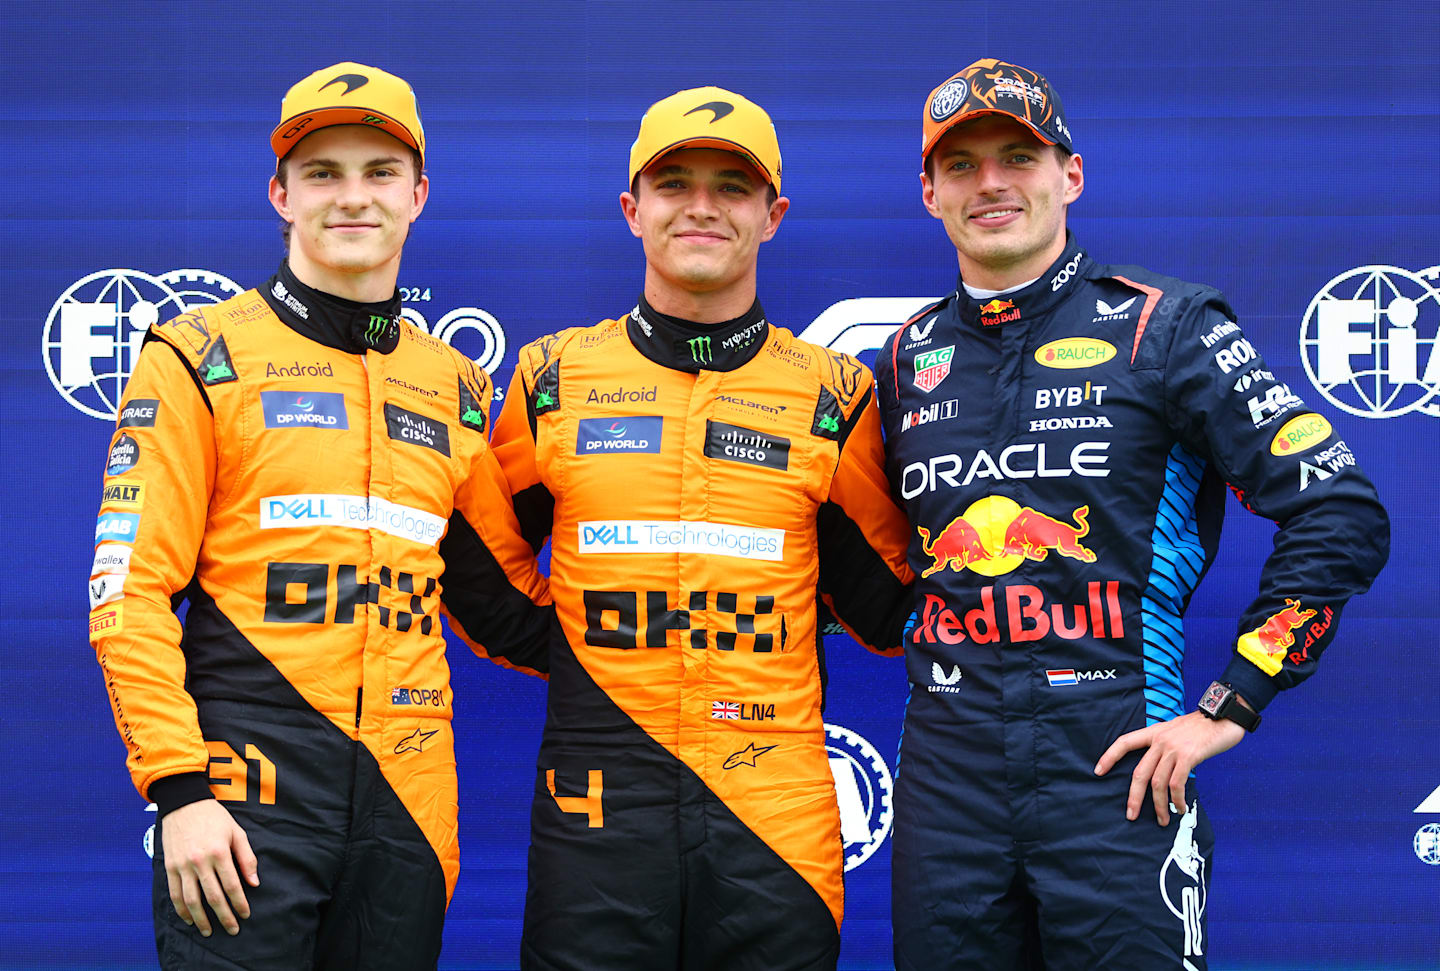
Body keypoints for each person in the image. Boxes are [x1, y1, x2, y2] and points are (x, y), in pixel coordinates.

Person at [876, 58, 1389, 970]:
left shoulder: (1170, 326)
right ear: (929, 193)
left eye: (1017, 156)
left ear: (1070, 175)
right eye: (961, 164)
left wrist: (1233, 701)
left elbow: (1338, 511)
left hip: (1118, 772)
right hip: (946, 786)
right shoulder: (903, 360)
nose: (991, 182)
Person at [88, 62, 551, 970]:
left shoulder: (455, 386)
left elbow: (505, 603)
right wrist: (179, 791)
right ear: (281, 195)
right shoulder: (198, 357)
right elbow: (129, 591)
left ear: (419, 194)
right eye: (323, 172)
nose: (353, 197)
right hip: (244, 805)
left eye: (379, 172)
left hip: (409, 805)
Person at [487, 86, 914, 970]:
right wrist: (582, 655)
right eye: (674, 181)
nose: (703, 206)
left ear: (774, 213)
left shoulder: (834, 394)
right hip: (595, 815)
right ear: (632, 208)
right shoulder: (551, 378)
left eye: (733, 184)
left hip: (776, 821)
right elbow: (481, 570)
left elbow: (886, 607)